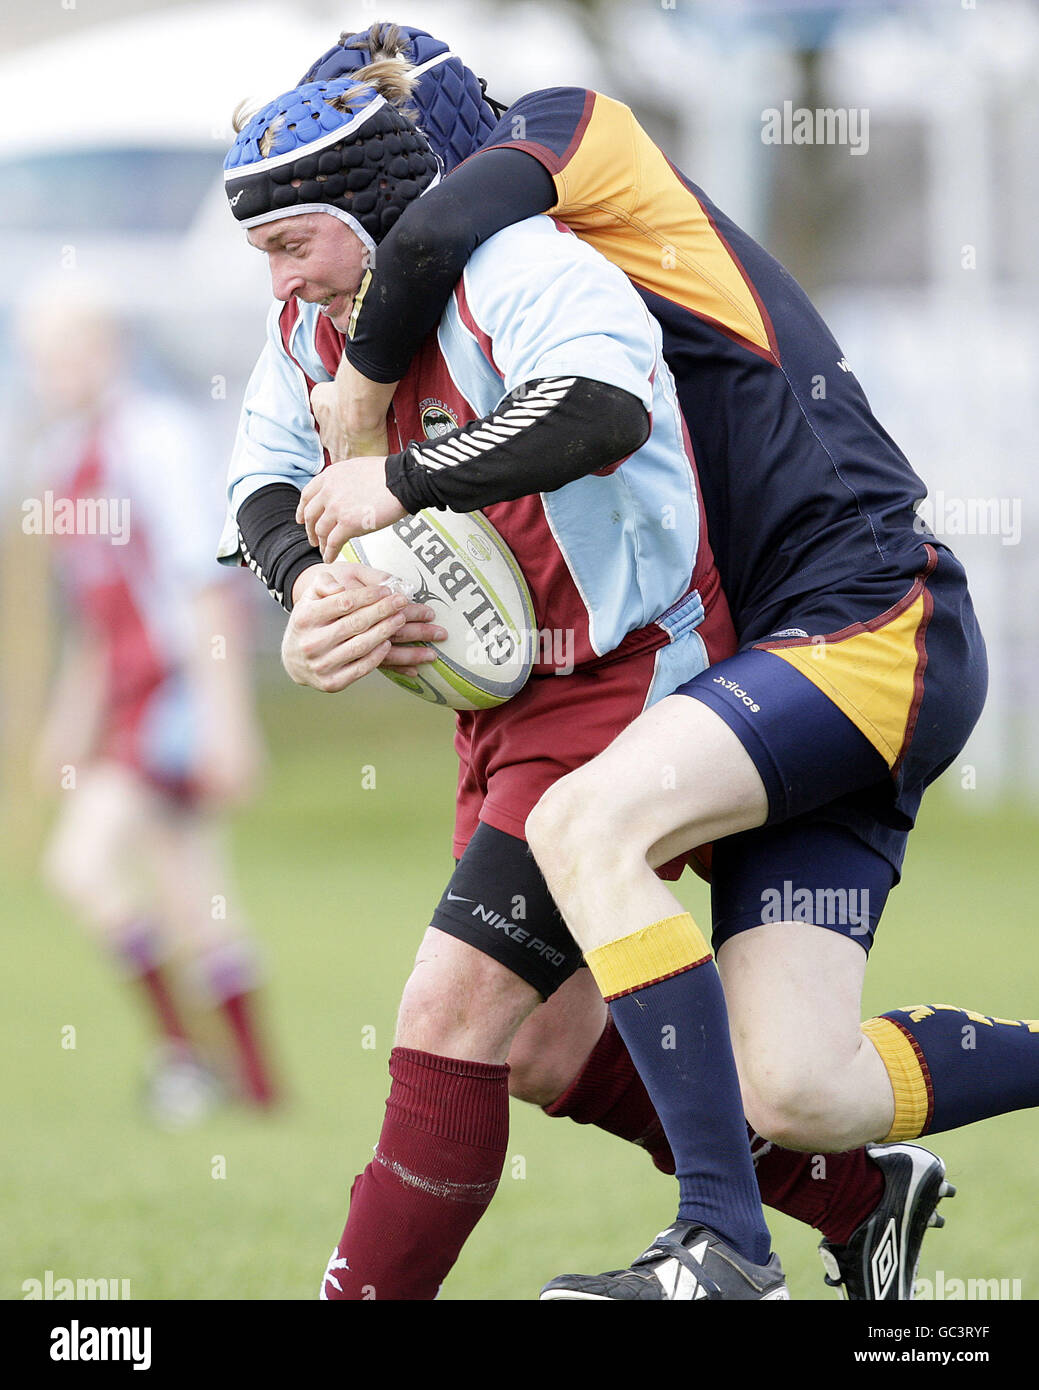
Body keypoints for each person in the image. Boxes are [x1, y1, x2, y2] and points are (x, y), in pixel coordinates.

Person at [293, 24, 1039, 1303]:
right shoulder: (499, 310)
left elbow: (426, 238)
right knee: (795, 1087)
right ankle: (851, 1196)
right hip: (766, 662)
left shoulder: (576, 130)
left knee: (588, 826)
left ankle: (722, 1245)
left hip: (864, 607)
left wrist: (362, 415)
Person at [20, 282, 277, 1127]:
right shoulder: (64, 464)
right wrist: (69, 717)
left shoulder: (156, 438)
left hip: (173, 689)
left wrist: (225, 720)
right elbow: (100, 613)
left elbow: (204, 586)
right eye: (40, 360)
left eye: (66, 354)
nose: (53, 374)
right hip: (128, 695)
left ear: (105, 351)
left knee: (81, 865)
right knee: (189, 887)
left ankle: (185, 1057)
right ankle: (255, 1088)